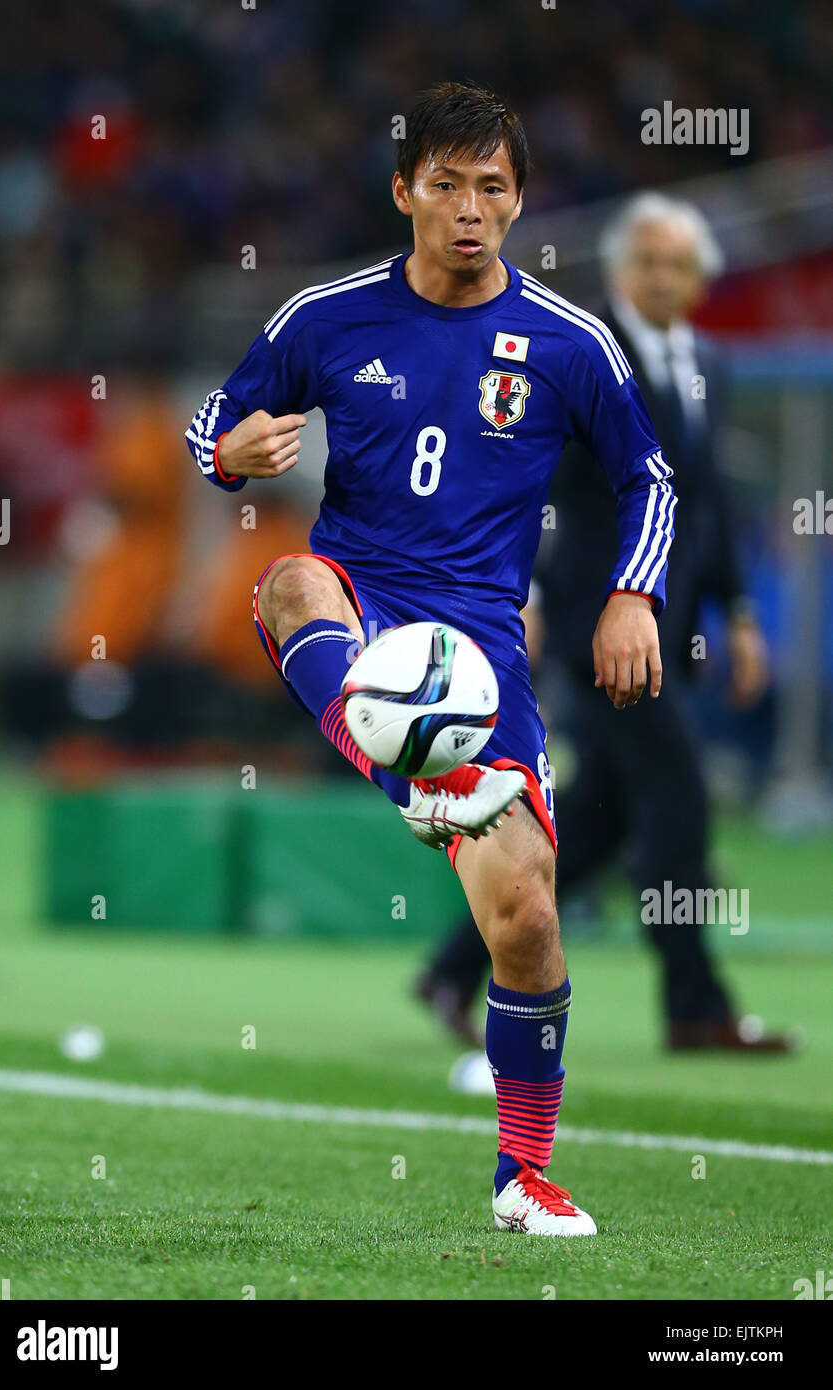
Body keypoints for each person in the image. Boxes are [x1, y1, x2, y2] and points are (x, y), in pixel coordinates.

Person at [185, 84, 676, 1237]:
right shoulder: (327, 317)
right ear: (401, 189)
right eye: (445, 184)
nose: (469, 209)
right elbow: (218, 414)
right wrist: (229, 451)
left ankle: (523, 1175)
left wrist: (630, 597)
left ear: (519, 200)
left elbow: (643, 477)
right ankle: (411, 757)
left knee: (525, 921)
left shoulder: (568, 343)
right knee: (289, 580)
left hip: (484, 649)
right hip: (360, 607)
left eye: (492, 188)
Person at [417, 192, 793, 1055]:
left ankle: (449, 968)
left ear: (701, 278)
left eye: (679, 264)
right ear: (621, 270)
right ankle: (694, 1005)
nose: (663, 277)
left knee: (603, 816)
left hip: (672, 624)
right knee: (681, 796)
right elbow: (523, 479)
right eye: (648, 261)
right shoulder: (579, 352)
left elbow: (702, 508)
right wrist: (528, 595)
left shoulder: (706, 360)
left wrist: (735, 611)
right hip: (599, 625)